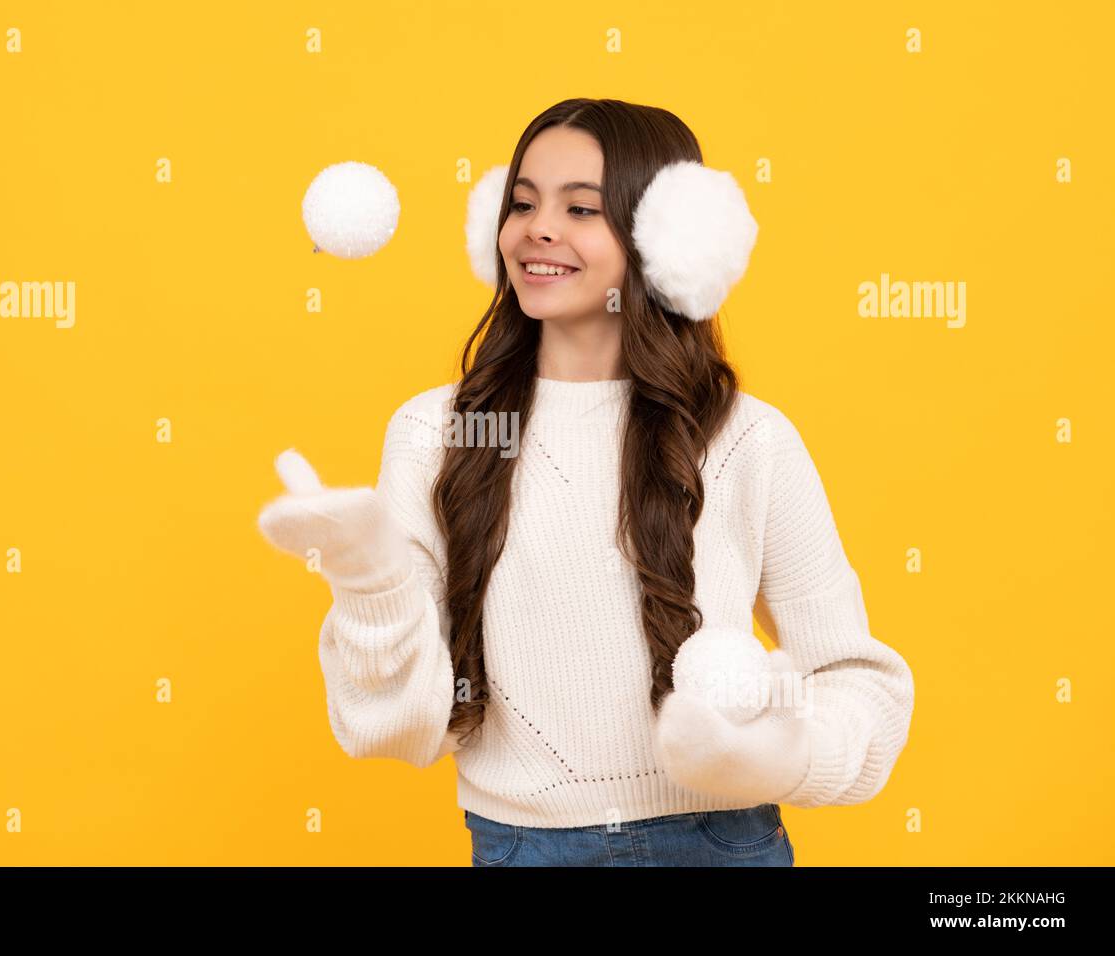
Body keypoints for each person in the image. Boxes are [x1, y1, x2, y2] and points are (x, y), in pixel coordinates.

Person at [258, 98, 915, 867]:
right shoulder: (435, 435)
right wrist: (367, 578)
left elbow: (854, 676)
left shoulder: (747, 437)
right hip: (518, 847)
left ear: (667, 240)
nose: (538, 228)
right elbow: (401, 728)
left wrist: (780, 754)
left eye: (581, 208)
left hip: (720, 844)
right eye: (523, 203)